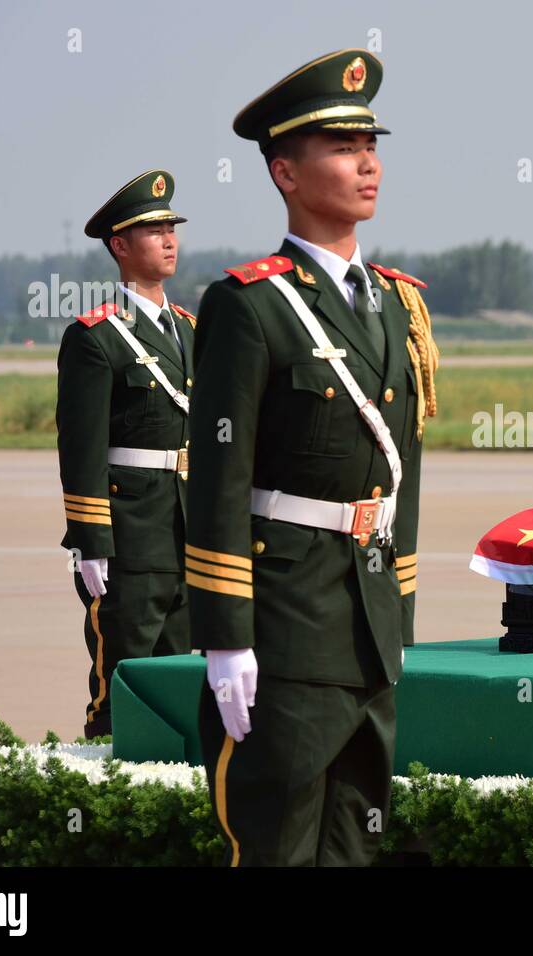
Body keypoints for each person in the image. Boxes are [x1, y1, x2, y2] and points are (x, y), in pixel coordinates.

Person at [186, 49, 438, 866]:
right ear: (284, 171)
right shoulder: (248, 304)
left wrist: (398, 608)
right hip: (286, 621)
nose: (367, 162)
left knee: (355, 841)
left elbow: (405, 469)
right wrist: (227, 636)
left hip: (368, 620)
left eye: (370, 142)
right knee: (278, 843)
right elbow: (220, 476)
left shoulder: (398, 304)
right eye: (340, 146)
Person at [57, 169, 194, 739]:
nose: (168, 239)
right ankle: (109, 796)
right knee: (125, 680)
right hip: (130, 536)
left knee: (186, 679)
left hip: (188, 529)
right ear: (119, 245)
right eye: (152, 229)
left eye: (171, 227)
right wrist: (92, 542)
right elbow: (81, 446)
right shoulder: (96, 337)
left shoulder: (191, 329)